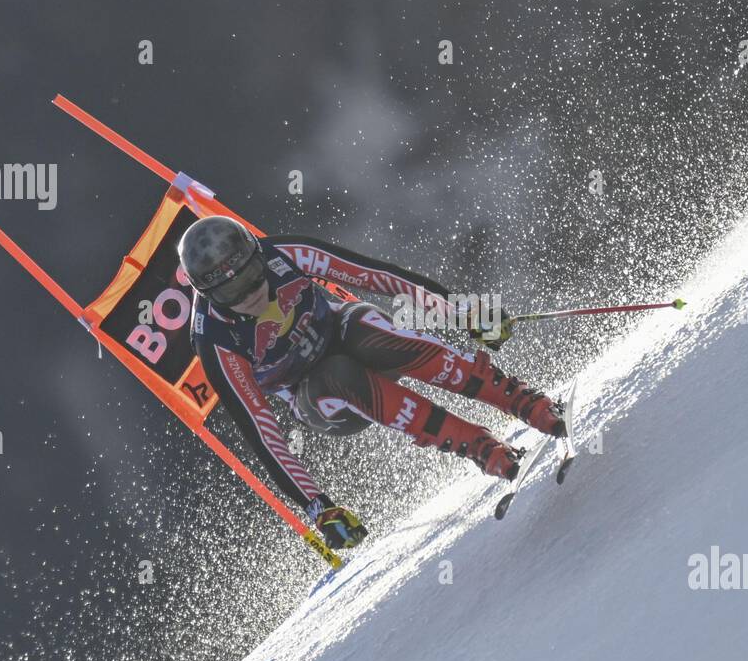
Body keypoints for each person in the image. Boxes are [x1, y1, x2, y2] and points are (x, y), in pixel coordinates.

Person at [178, 216, 565, 550]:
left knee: (370, 331)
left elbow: (379, 278)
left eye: (248, 276)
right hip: (315, 396)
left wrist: (461, 313)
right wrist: (320, 506)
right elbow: (262, 431)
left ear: (257, 254)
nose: (249, 294)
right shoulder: (214, 341)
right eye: (230, 291)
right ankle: (478, 446)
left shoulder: (286, 253)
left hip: (344, 329)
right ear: (209, 295)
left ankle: (520, 399)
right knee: (339, 374)